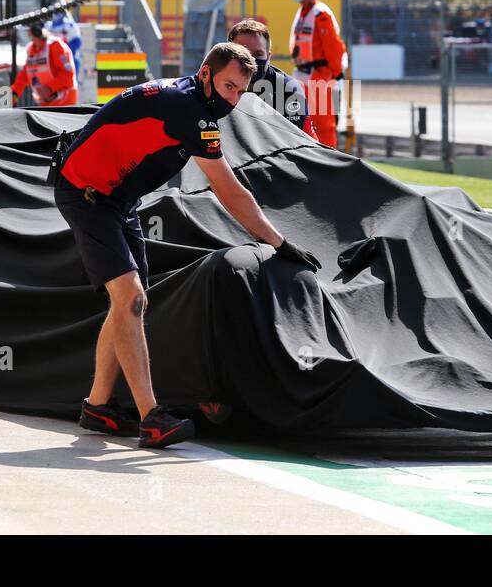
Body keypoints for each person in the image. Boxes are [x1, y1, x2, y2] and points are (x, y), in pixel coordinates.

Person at [54, 42, 321, 449]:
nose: (232, 99)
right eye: (228, 86)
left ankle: (98, 406)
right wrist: (278, 242)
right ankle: (151, 418)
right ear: (205, 73)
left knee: (128, 303)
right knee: (129, 296)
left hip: (118, 198)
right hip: (86, 193)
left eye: (239, 92)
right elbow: (229, 190)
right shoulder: (189, 109)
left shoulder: (197, 104)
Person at [227, 17, 317, 140]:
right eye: (243, 53)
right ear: (228, 56)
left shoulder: (288, 91)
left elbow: (299, 146)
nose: (250, 60)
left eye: (258, 54)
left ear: (268, 57)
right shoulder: (215, 84)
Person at [286, 0, 346, 148]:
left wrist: (334, 76)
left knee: (323, 125)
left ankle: (330, 162)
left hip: (319, 76)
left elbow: (334, 47)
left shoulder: (321, 14)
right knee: (302, 121)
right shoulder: (303, 11)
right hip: (303, 74)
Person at [10, 22, 78, 107]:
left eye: (29, 32)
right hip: (45, 104)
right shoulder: (31, 49)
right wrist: (14, 95)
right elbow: (25, 75)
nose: (28, 35)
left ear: (37, 31)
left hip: (64, 103)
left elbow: (67, 74)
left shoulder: (55, 46)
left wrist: (49, 88)